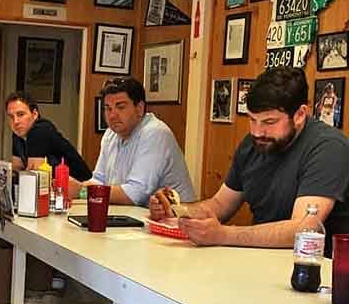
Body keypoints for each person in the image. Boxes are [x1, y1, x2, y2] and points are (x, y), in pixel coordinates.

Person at [149, 66, 349, 249]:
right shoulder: (253, 143)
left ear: (299, 115)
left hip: (316, 266)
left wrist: (223, 235)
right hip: (261, 259)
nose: (257, 131)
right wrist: (175, 210)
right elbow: (220, 205)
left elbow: (302, 229)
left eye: (269, 122)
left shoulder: (328, 147)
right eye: (252, 120)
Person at [75, 77, 195, 206]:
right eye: (108, 108)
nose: (112, 115)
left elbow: (134, 194)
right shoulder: (110, 134)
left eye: (120, 107)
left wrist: (81, 190)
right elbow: (99, 180)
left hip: (175, 215)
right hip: (136, 213)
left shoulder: (155, 132)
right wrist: (76, 188)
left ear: (139, 108)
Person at [6, 92, 91, 181]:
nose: (15, 121)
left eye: (21, 114)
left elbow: (32, 177)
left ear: (35, 114)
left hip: (82, 186)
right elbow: (17, 168)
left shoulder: (40, 130)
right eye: (11, 116)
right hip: (55, 186)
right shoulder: (18, 133)